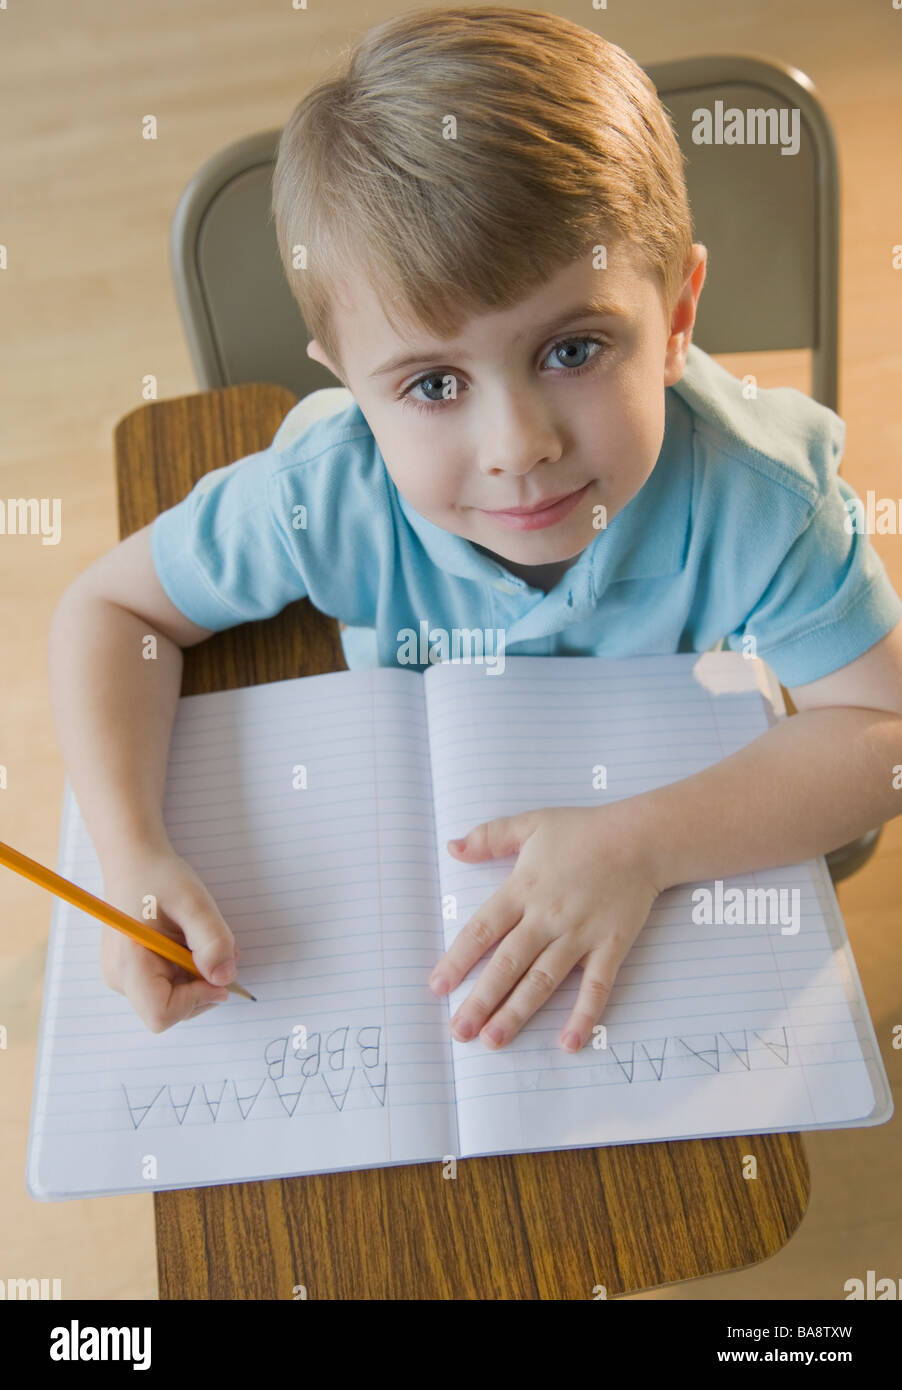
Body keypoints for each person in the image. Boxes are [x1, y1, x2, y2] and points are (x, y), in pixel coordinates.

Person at [49, 7, 902, 1042]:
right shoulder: (329, 492)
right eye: (434, 381)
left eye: (573, 350)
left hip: (660, 853)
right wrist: (130, 851)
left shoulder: (756, 497)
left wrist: (639, 844)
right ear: (355, 393)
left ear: (675, 319)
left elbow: (880, 736)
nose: (516, 446)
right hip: (403, 870)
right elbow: (109, 609)